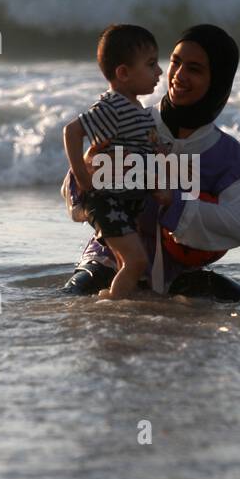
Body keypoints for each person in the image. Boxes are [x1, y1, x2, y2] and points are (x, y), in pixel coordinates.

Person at [62, 24, 240, 301]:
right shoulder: (132, 121)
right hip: (111, 261)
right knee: (71, 298)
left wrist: (174, 202)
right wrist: (89, 166)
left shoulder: (225, 155)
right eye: (176, 63)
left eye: (195, 69)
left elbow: (238, 226)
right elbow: (77, 204)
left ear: (219, 81)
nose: (178, 75)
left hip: (181, 274)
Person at [62, 24, 168, 300]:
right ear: (123, 73)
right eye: (151, 64)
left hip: (125, 202)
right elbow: (72, 131)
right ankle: (110, 305)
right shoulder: (114, 106)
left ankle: (118, 304)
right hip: (106, 202)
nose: (159, 72)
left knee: (126, 263)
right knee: (136, 262)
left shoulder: (138, 111)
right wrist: (82, 178)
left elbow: (147, 150)